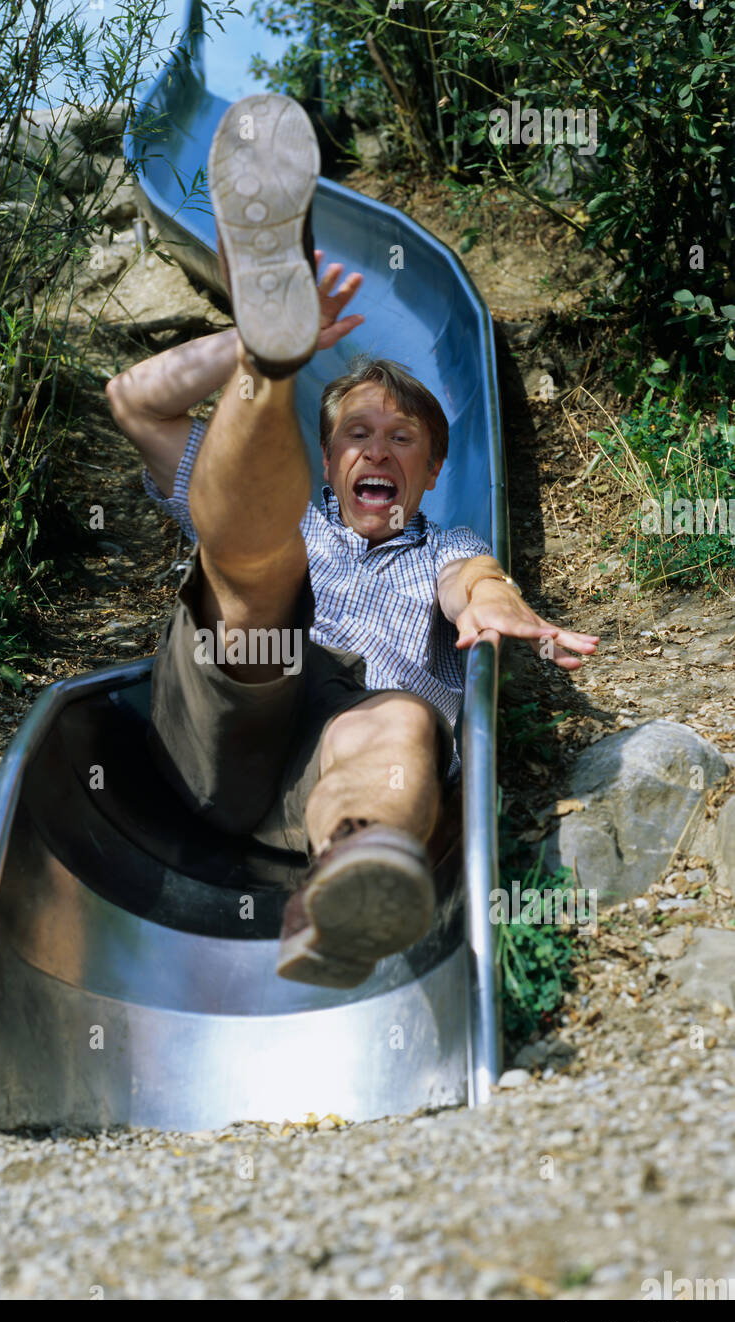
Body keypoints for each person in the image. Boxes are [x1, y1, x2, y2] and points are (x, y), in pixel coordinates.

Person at [106, 93, 599, 989]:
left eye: (403, 437)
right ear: (328, 460)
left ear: (434, 469)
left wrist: (504, 608)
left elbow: (477, 582)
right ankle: (267, 360)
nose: (378, 448)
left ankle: (338, 894)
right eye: (356, 434)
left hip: (333, 773)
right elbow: (135, 399)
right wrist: (242, 345)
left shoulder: (444, 545)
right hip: (218, 725)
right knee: (261, 572)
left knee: (402, 717)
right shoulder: (286, 507)